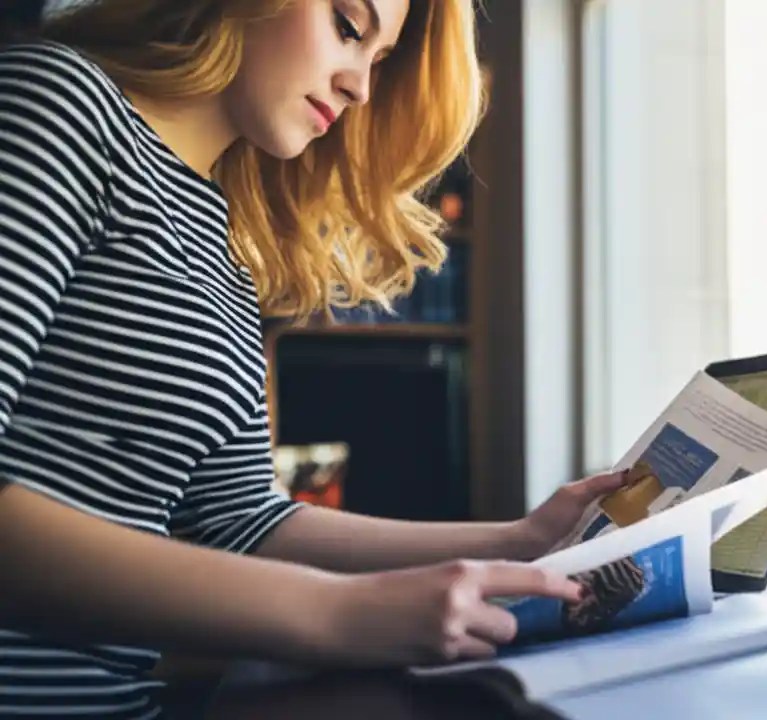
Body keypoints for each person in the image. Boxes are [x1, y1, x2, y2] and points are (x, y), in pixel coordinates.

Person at [0, 1, 626, 717]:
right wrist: (341, 613)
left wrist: (521, 540)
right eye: (349, 27)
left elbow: (243, 520)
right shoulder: (57, 105)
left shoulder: (218, 234)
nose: (361, 85)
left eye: (380, 60)